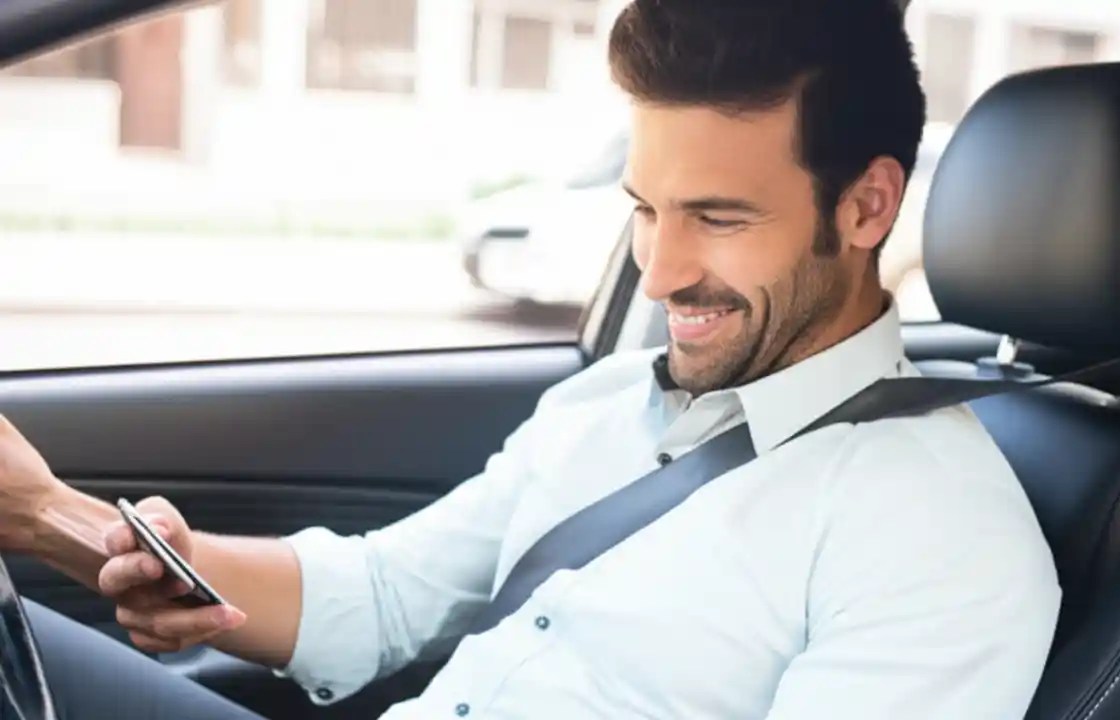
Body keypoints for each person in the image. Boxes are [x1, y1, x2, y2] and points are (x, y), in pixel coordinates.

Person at [0, 1, 1061, 717]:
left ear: (866, 205)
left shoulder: (940, 538)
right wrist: (56, 518)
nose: (659, 271)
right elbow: (383, 594)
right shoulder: (608, 403)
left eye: (718, 218)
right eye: (645, 210)